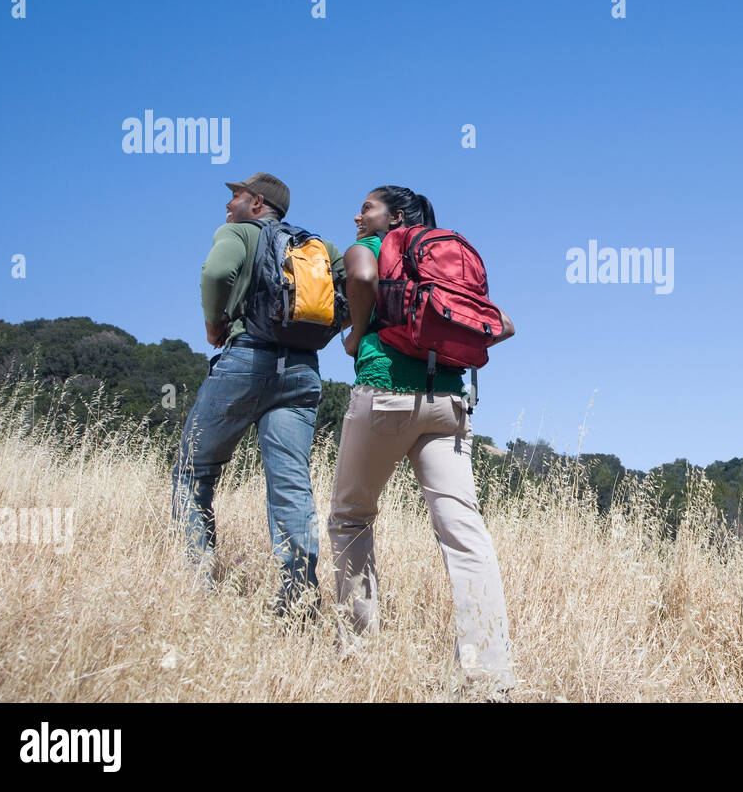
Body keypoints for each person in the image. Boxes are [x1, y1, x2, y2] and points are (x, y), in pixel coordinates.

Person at [328, 185, 516, 698]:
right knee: (464, 534)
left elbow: (363, 276)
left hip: (386, 393)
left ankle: (359, 649)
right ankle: (488, 674)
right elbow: (503, 325)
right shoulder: (447, 260)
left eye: (367, 207)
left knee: (351, 516)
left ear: (396, 217)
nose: (357, 214)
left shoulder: (370, 250)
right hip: (450, 403)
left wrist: (359, 332)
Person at [170, 172, 345, 617]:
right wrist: (327, 331)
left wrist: (214, 324)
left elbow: (215, 271)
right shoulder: (316, 247)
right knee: (290, 486)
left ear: (258, 204)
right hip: (302, 370)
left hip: (247, 360)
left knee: (194, 469)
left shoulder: (239, 233)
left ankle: (196, 587)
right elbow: (359, 286)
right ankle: (299, 597)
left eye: (236, 197)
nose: (228, 205)